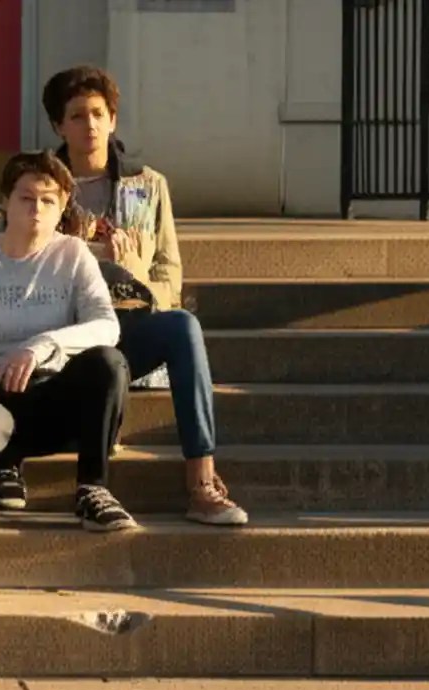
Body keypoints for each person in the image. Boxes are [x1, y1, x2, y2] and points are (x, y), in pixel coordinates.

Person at [43, 65, 248, 525]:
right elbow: (16, 265)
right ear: (59, 126)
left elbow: (169, 275)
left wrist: (137, 279)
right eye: (77, 116)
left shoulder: (148, 184)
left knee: (183, 326)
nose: (89, 125)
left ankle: (201, 482)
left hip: (131, 325)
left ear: (113, 119)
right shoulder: (39, 189)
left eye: (98, 114)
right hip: (67, 336)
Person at [0, 150, 136, 530]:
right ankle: (3, 466)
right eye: (26, 197)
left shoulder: (73, 254)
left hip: (47, 389)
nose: (37, 208)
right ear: (5, 202)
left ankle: (92, 489)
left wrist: (40, 346)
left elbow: (107, 325)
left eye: (48, 200)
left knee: (109, 363)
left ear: (62, 206)